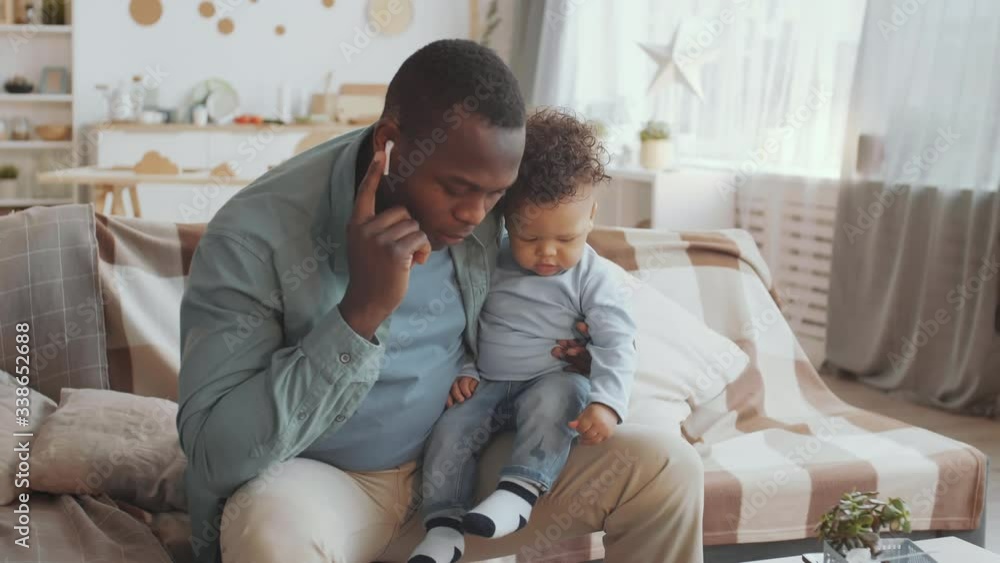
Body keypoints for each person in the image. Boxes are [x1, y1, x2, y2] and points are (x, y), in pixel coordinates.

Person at [178, 39, 704, 563]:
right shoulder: (253, 237)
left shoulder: (490, 201)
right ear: (390, 143)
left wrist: (570, 352)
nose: (476, 216)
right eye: (456, 189)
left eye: (495, 196)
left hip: (463, 466)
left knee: (666, 469)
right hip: (324, 484)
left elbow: (569, 265)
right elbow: (212, 456)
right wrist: (361, 313)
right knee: (269, 536)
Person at [408, 109, 637, 563]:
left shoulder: (595, 278)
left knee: (558, 398)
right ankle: (442, 527)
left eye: (565, 239)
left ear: (591, 215)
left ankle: (519, 492)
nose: (547, 253)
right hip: (489, 381)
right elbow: (470, 321)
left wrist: (607, 402)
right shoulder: (490, 260)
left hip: (550, 377)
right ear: (507, 219)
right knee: (450, 430)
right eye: (529, 237)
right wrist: (466, 369)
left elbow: (616, 342)